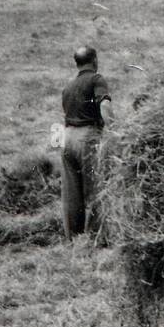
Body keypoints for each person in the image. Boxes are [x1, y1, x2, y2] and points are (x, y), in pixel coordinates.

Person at [60, 45, 112, 240]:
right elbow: (104, 105)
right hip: (87, 138)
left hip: (67, 139)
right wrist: (114, 130)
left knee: (71, 195)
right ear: (95, 60)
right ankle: (95, 239)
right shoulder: (96, 79)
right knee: (96, 188)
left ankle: (73, 240)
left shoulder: (68, 87)